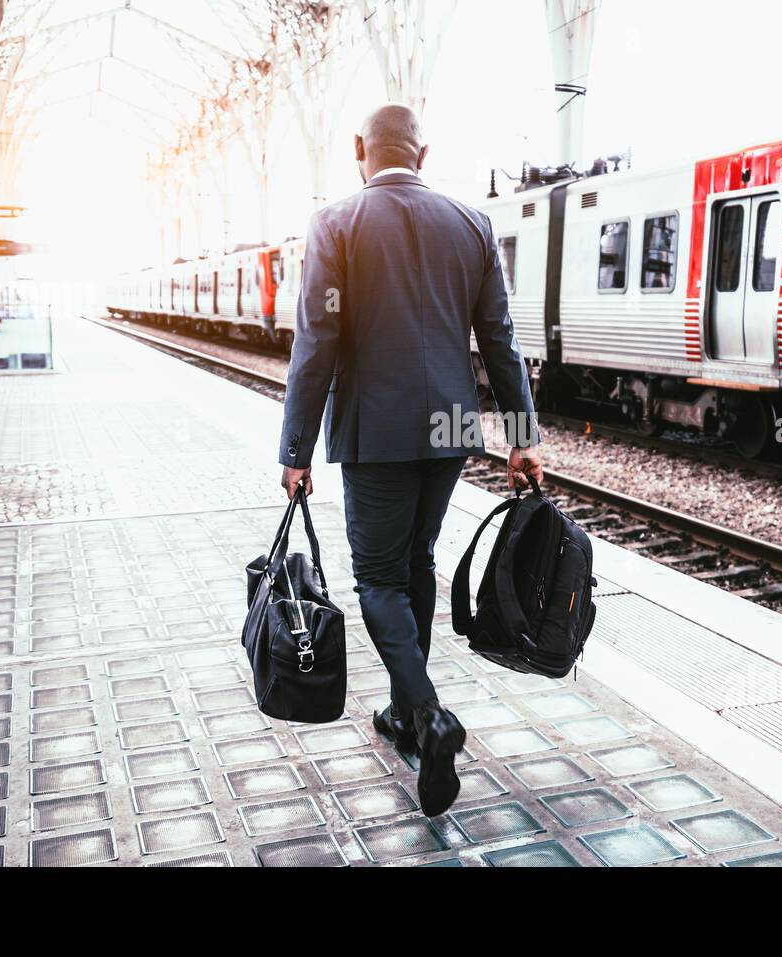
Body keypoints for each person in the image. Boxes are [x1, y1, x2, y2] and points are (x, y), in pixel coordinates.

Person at [278, 103, 542, 817]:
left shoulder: (336, 225)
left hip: (379, 427)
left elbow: (317, 342)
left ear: (358, 149)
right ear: (423, 155)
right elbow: (499, 337)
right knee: (417, 559)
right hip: (450, 424)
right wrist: (523, 436)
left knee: (376, 577)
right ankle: (404, 711)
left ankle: (427, 715)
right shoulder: (472, 225)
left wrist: (295, 448)